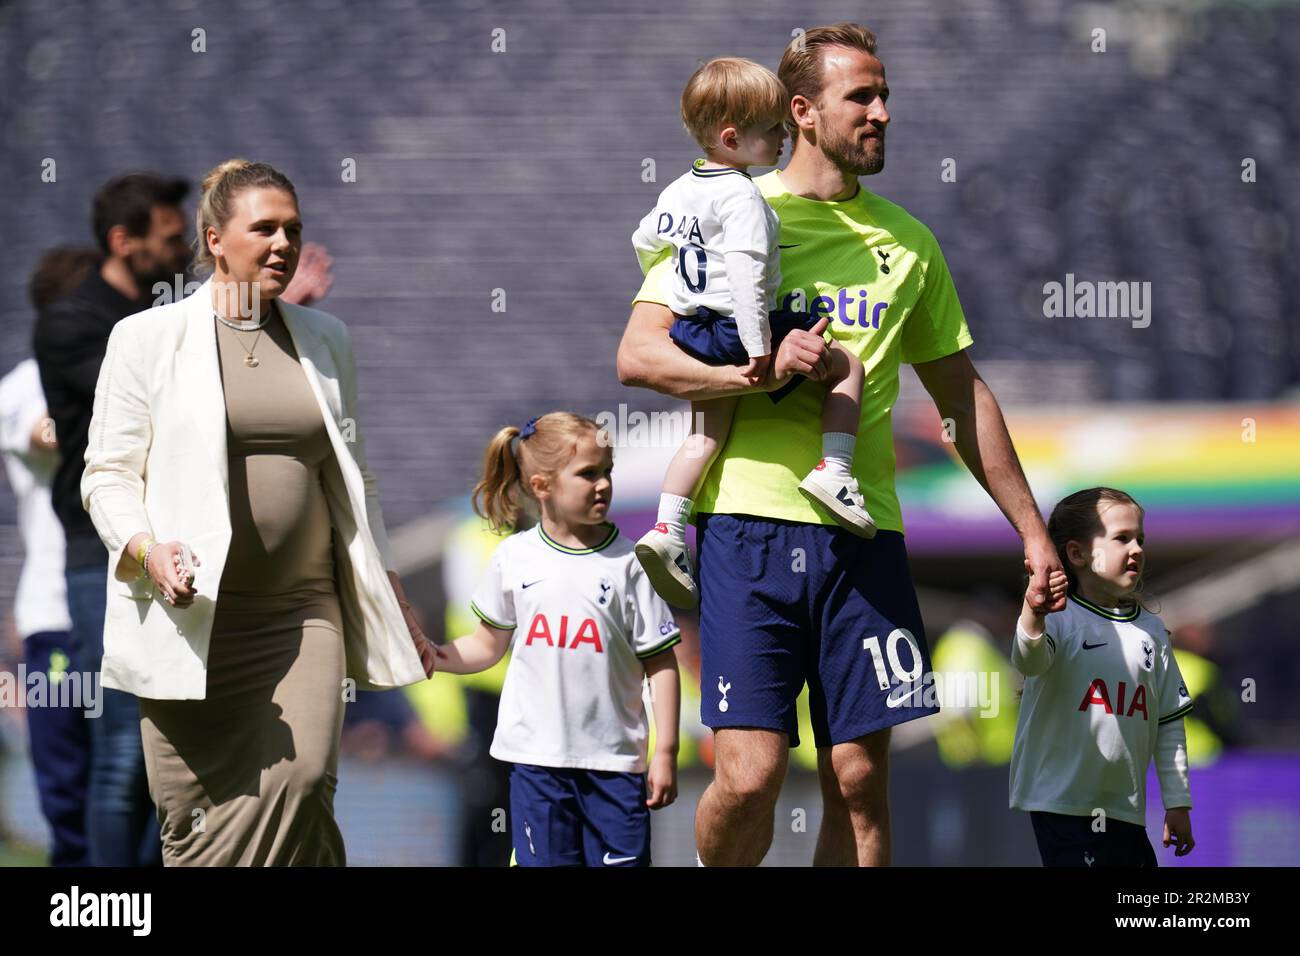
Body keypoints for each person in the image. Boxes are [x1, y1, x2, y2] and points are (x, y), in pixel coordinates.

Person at [616, 23, 1066, 866]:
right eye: (861, 96)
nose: (883, 113)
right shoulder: (730, 213)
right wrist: (762, 372)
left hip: (863, 535)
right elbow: (638, 357)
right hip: (745, 528)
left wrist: (1033, 535)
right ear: (803, 113)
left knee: (859, 780)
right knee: (748, 776)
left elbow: (963, 399)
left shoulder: (909, 244)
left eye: (885, 94)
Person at [80, 158, 436, 866]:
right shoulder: (146, 340)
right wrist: (148, 549)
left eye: (293, 229)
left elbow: (353, 476)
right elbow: (107, 475)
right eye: (264, 228)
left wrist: (388, 584)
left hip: (301, 612)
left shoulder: (326, 337)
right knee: (194, 824)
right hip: (193, 617)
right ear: (214, 239)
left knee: (301, 783)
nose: (283, 243)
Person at [631, 57, 872, 609]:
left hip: (690, 329)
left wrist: (678, 273)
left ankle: (667, 530)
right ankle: (834, 470)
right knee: (846, 365)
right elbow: (745, 276)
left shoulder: (677, 190)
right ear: (733, 137)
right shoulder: (742, 197)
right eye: (772, 131)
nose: (784, 139)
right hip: (736, 328)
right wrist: (761, 349)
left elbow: (644, 241)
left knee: (703, 437)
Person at [436, 412, 682, 867]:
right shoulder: (514, 557)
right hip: (537, 766)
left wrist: (664, 751)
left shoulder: (631, 563)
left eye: (607, 471)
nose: (603, 484)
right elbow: (486, 647)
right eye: (588, 473)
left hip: (617, 767)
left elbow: (661, 664)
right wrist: (435, 656)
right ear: (541, 486)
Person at [33, 174, 191, 866]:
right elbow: (149, 402)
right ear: (124, 243)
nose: (183, 246)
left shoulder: (173, 315)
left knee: (171, 747)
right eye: (169, 236)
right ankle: (111, 903)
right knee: (122, 746)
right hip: (103, 555)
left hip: (173, 547)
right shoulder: (73, 322)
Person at [1011, 487, 1194, 866]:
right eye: (1122, 538)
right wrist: (1033, 613)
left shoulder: (1152, 632)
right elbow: (1028, 663)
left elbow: (1169, 724)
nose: (1137, 549)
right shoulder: (1059, 617)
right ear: (1077, 553)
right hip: (1063, 804)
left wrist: (1177, 801)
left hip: (1125, 811)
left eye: (1140, 538)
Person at [0, 247, 102, 864]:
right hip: (60, 615)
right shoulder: (24, 385)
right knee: (72, 799)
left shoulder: (128, 372)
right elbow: (48, 431)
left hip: (137, 615)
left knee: (135, 791)